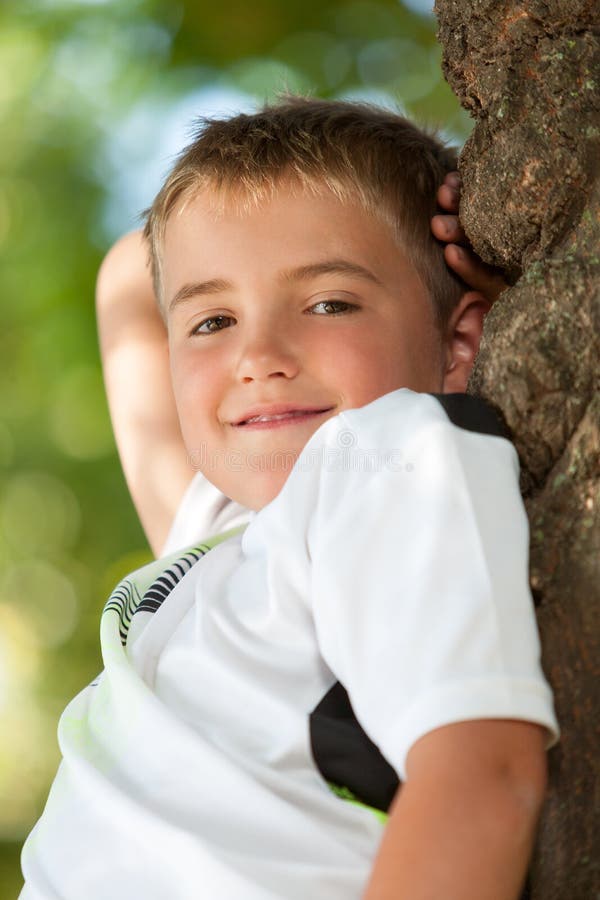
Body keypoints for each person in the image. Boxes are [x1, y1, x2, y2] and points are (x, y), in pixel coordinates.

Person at [20, 96, 558, 900]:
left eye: (329, 304)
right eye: (214, 321)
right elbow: (130, 274)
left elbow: (483, 777)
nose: (259, 356)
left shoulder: (389, 459)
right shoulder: (217, 536)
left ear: (461, 342)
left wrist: (477, 239)